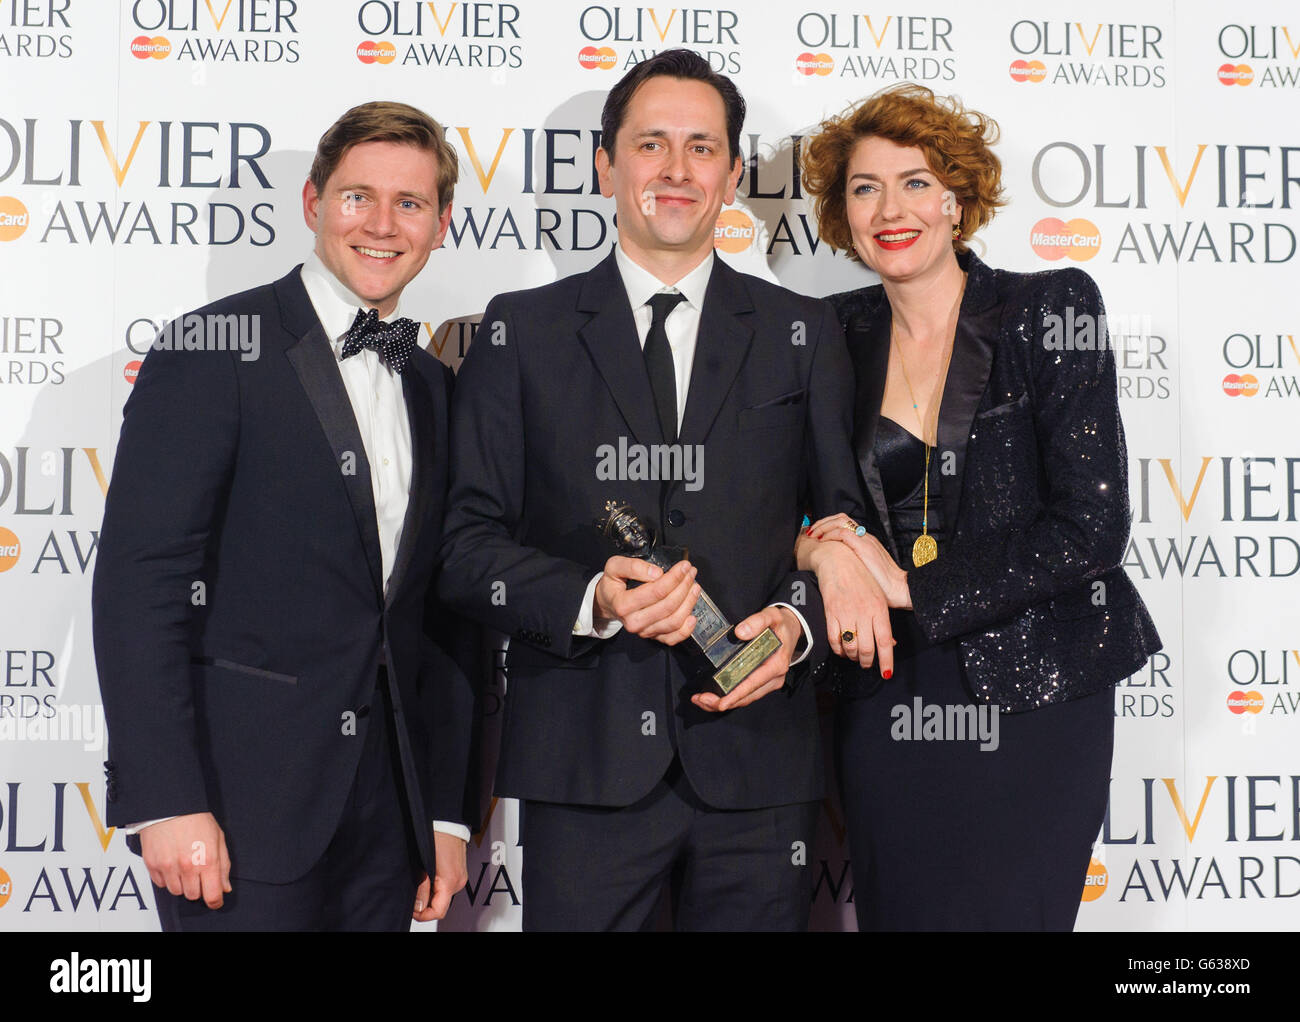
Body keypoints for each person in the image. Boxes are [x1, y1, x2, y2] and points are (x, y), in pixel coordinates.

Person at [438, 49, 863, 931]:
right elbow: (464, 546)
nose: (676, 169)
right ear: (605, 166)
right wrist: (591, 598)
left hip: (759, 758)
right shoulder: (521, 331)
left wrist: (795, 626)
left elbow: (844, 526)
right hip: (583, 761)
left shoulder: (803, 331)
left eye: (702, 147)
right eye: (651, 144)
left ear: (734, 176)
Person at [92, 101, 479, 931]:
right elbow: (141, 584)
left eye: (410, 203)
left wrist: (445, 814)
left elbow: (440, 614)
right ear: (313, 203)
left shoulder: (432, 383)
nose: (382, 225)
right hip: (237, 811)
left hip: (388, 824)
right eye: (357, 197)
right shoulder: (212, 350)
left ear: (441, 224)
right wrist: (165, 799)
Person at [797, 83, 1162, 930]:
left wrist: (912, 586)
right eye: (865, 188)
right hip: (886, 683)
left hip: (1036, 688)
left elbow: (1091, 526)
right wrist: (821, 549)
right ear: (843, 212)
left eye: (916, 183)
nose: (891, 209)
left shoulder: (1050, 307)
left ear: (956, 201)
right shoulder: (823, 334)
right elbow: (783, 498)